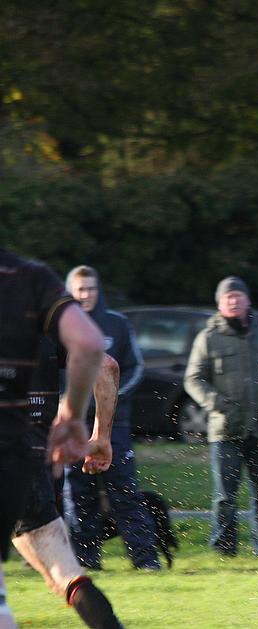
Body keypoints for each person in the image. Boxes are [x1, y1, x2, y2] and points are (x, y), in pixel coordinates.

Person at [0, 248, 105, 629]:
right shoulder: (30, 277)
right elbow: (96, 351)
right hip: (17, 459)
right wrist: (77, 419)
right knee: (63, 574)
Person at [16, 343, 125, 629]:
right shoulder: (47, 319)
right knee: (64, 577)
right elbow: (106, 365)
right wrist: (101, 437)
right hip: (35, 464)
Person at [184, 276, 258, 556]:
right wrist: (217, 403)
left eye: (238, 296)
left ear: (247, 300)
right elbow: (193, 379)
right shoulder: (208, 338)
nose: (233, 301)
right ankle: (223, 549)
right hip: (226, 430)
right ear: (219, 304)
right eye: (227, 297)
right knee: (224, 496)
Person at [64, 265, 161, 571]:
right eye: (80, 289)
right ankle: (86, 561)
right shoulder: (59, 328)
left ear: (99, 290)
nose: (86, 295)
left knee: (125, 494)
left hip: (113, 427)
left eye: (91, 288)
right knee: (79, 496)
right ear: (70, 292)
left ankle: (146, 561)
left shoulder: (116, 324)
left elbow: (135, 369)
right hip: (74, 428)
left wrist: (110, 400)